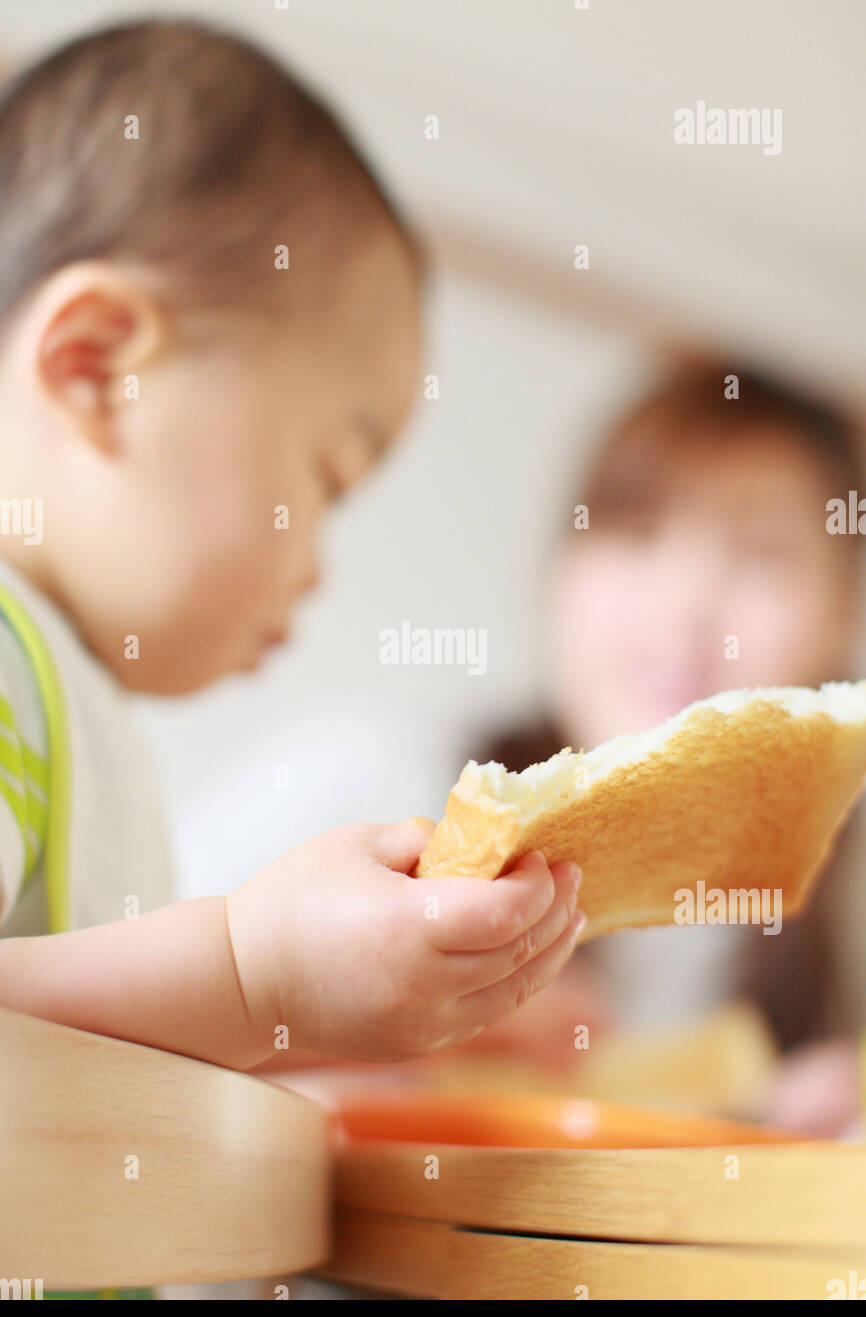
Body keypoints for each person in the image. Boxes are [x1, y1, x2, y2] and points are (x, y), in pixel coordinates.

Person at [0, 17, 585, 1211]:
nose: (316, 565)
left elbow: (72, 1049)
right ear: (99, 368)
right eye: (322, 478)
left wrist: (334, 1017)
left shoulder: (62, 688)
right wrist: (249, 971)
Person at [467, 365, 865, 1134]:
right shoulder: (371, 784)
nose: (686, 603)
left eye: (760, 554)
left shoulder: (838, 903)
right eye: (638, 533)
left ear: (841, 618)